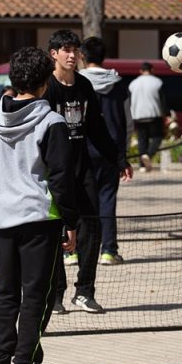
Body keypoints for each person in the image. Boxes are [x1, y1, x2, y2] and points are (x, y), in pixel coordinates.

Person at [0, 46, 78, 364]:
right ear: (44, 83)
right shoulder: (52, 122)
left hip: (3, 218)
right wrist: (71, 221)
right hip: (40, 219)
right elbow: (62, 178)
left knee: (5, 293)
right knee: (37, 294)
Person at [44, 29, 133, 314]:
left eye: (75, 50)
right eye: (66, 50)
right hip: (53, 173)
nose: (72, 55)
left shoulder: (83, 85)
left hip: (83, 169)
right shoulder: (46, 87)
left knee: (91, 229)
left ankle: (84, 292)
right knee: (55, 232)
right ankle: (55, 294)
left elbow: (96, 128)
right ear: (54, 54)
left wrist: (119, 159)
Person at [79, 36, 128, 266]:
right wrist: (122, 156)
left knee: (81, 200)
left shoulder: (78, 83)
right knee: (107, 199)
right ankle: (108, 250)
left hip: (84, 149)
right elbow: (127, 121)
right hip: (111, 150)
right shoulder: (118, 84)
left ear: (82, 56)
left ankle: (76, 250)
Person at [128, 61, 166, 172]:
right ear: (152, 70)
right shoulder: (158, 82)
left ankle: (142, 166)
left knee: (142, 139)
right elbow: (162, 101)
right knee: (157, 137)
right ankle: (148, 155)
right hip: (154, 114)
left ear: (141, 71)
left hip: (138, 115)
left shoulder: (133, 84)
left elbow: (129, 101)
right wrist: (165, 113)